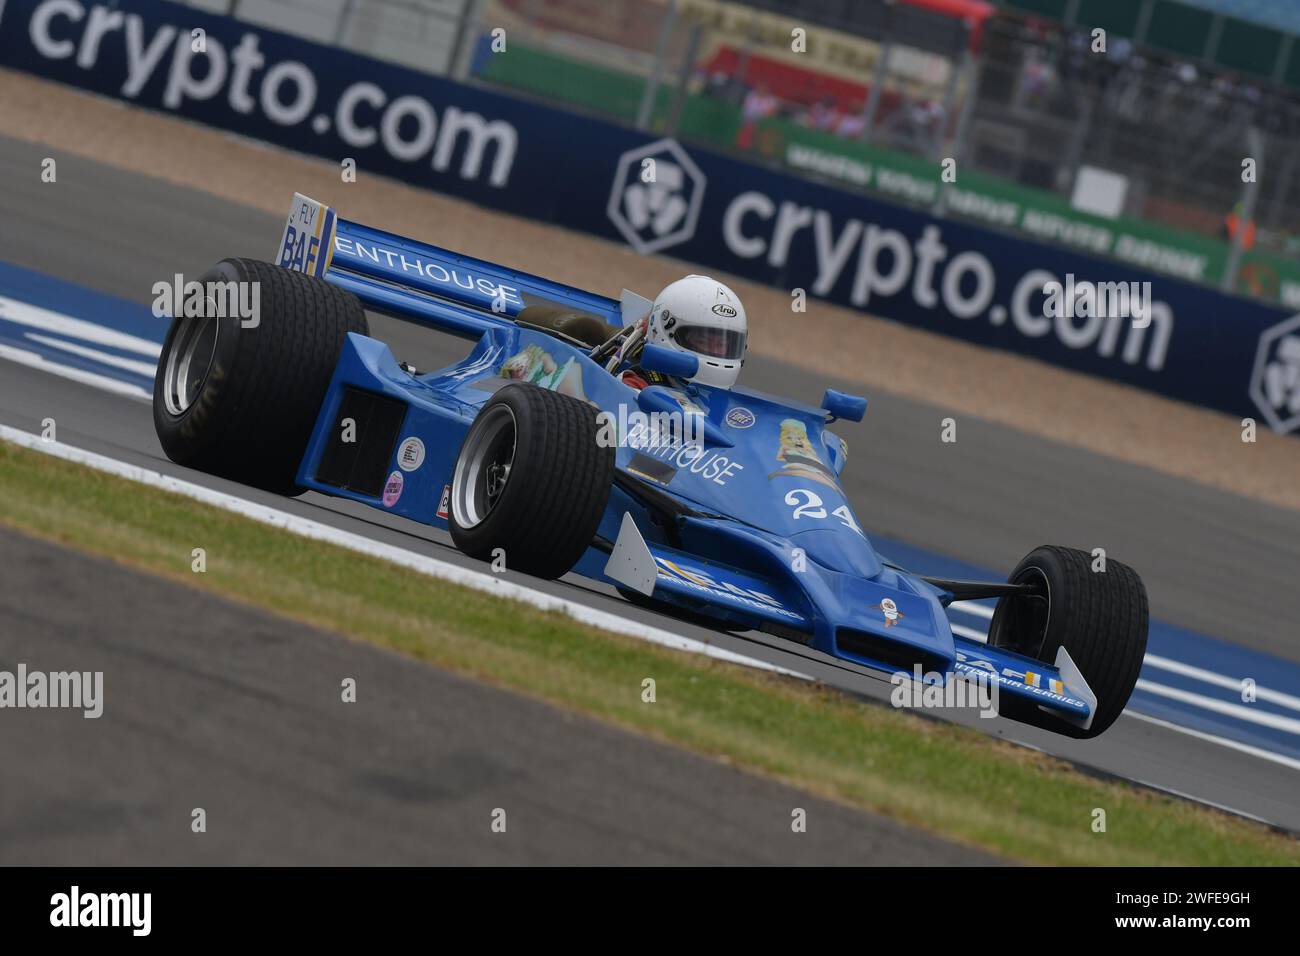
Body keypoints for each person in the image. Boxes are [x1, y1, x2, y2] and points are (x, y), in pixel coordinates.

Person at [619, 275, 748, 391]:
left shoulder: (736, 409)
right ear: (663, 331)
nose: (714, 350)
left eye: (721, 344)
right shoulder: (635, 386)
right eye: (703, 341)